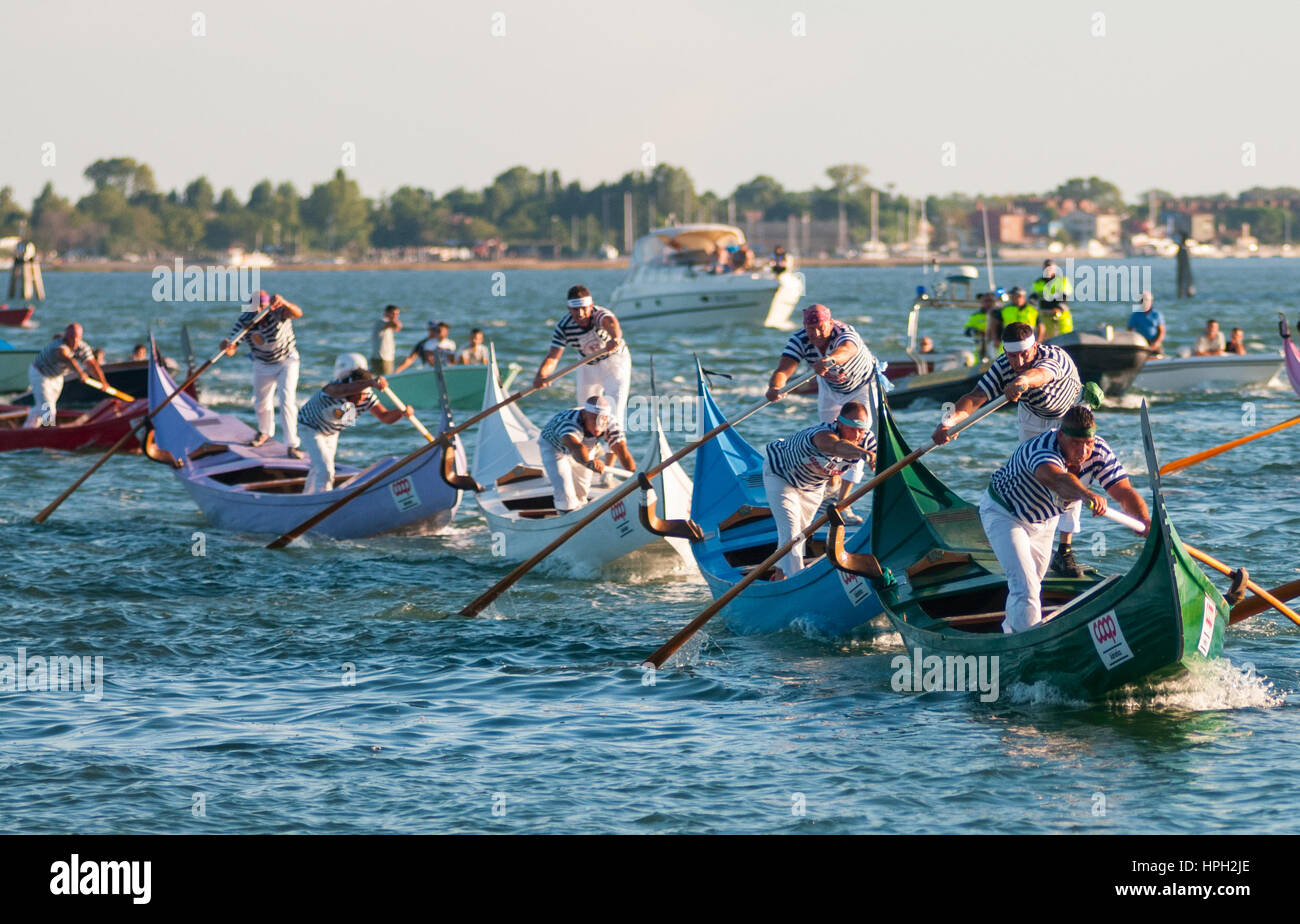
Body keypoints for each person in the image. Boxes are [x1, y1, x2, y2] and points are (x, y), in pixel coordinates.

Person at [931, 322, 1087, 577]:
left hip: (1070, 416)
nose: (1018, 361)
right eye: (1012, 355)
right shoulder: (1004, 365)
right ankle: (1022, 534)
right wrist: (950, 421)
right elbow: (975, 396)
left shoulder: (1051, 357)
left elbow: (1042, 375)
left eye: (1024, 354)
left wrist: (1023, 380)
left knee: (1072, 474)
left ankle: (1065, 552)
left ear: (1035, 346)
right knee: (1036, 475)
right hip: (1033, 417)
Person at [981, 404, 1149, 633]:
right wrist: (1087, 494)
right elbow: (1058, 481)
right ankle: (1031, 646)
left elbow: (1123, 490)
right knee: (1026, 585)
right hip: (1005, 514)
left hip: (1044, 521)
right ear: (1061, 435)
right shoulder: (1042, 449)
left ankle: (1010, 632)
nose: (1083, 452)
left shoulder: (1099, 451)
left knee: (1033, 583)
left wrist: (1145, 521)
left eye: (1087, 444)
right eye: (1075, 444)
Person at [765, 303, 880, 523]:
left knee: (857, 440)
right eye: (811, 329)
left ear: (830, 323)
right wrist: (775, 388)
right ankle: (831, 485)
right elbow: (783, 369)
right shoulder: (799, 339)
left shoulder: (844, 333)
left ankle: (844, 504)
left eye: (821, 327)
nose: (816, 334)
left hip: (862, 387)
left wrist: (829, 360)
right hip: (830, 387)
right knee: (829, 436)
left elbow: (847, 350)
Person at [762, 402, 877, 581]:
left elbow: (890, 460)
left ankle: (779, 573)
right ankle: (796, 581)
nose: (857, 435)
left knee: (801, 534)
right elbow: (837, 447)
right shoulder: (822, 435)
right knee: (792, 532)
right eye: (852, 428)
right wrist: (863, 454)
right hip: (781, 476)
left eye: (861, 430)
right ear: (839, 423)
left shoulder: (867, 440)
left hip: (813, 487)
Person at [297, 353, 411, 493]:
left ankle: (307, 496)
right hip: (310, 428)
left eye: (363, 394)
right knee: (326, 469)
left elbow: (385, 417)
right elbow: (345, 390)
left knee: (318, 467)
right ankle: (323, 500)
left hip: (331, 432)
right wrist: (371, 382)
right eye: (358, 394)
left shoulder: (367, 397)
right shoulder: (333, 389)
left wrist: (402, 412)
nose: (360, 399)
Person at [533, 285, 632, 429]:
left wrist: (615, 338)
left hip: (614, 363)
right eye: (575, 310)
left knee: (614, 407)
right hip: (587, 364)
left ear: (591, 306)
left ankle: (612, 449)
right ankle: (589, 448)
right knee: (585, 409)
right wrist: (541, 375)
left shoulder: (599, 314)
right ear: (568, 309)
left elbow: (611, 323)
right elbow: (553, 357)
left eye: (584, 308)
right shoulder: (563, 327)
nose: (580, 314)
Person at [220, 290, 303, 457]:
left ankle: (292, 444)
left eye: (261, 307)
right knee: (261, 402)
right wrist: (226, 346)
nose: (258, 312)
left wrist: (284, 302)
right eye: (254, 308)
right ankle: (264, 432)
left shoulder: (278, 312)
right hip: (262, 363)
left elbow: (298, 313)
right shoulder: (244, 321)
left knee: (287, 400)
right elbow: (232, 349)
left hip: (287, 360)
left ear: (267, 305)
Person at [537, 392, 636, 512]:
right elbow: (576, 447)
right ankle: (566, 515)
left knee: (581, 494)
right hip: (555, 448)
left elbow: (622, 451)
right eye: (594, 419)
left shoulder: (611, 423)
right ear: (584, 414)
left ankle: (580, 517)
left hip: (587, 447)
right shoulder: (569, 423)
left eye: (602, 419)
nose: (599, 424)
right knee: (565, 496)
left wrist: (635, 476)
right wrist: (589, 461)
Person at [23, 324, 109, 428]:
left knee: (41, 406)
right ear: (66, 336)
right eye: (71, 337)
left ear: (80, 337)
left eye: (76, 337)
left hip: (57, 377)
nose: (73, 340)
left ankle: (27, 428)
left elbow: (92, 365)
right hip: (40, 374)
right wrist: (80, 372)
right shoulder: (59, 345)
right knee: (47, 406)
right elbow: (66, 357)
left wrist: (103, 382)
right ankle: (48, 431)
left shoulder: (83, 347)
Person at [1035, 261, 1074, 342]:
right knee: (1047, 340)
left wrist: (1059, 308)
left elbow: (1065, 297)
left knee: (1065, 338)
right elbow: (1034, 296)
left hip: (1062, 316)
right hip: (1045, 315)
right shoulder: (1038, 282)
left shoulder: (1062, 280)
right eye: (1046, 267)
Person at [963, 291, 1003, 359]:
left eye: (991, 301)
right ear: (982, 302)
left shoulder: (1002, 314)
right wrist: (976, 331)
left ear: (995, 301)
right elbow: (967, 331)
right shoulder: (975, 316)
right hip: (981, 347)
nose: (988, 303)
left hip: (999, 349)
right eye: (986, 301)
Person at [370, 304, 402, 374]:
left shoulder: (387, 323)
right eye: (393, 313)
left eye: (397, 314)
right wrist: (394, 319)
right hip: (382, 358)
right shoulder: (381, 321)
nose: (395, 316)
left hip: (386, 357)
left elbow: (397, 328)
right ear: (386, 313)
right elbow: (397, 325)